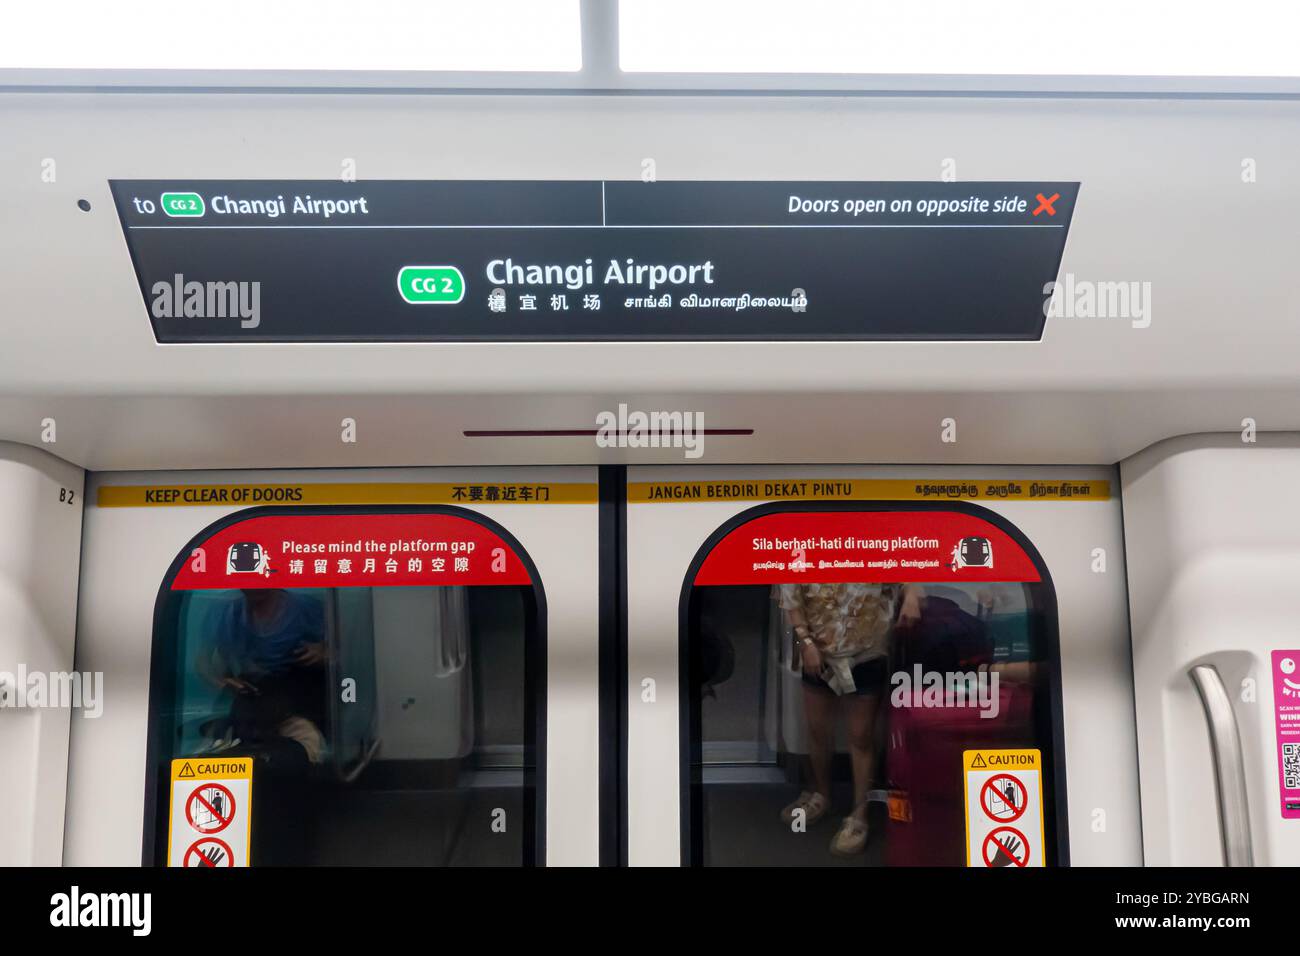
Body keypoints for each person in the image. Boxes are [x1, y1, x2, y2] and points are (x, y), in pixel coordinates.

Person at [777, 581, 923, 855]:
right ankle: (820, 794)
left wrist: (912, 594)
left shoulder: (876, 539)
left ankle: (859, 814)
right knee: (818, 730)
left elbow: (907, 566)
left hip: (867, 649)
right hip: (819, 648)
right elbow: (790, 595)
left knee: (861, 736)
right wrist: (805, 641)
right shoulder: (805, 541)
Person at [198, 588, 330, 769]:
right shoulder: (226, 613)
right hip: (247, 709)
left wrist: (323, 653)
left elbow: (342, 652)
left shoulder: (307, 609)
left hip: (298, 705)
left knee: (307, 752)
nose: (256, 588)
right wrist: (222, 682)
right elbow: (204, 661)